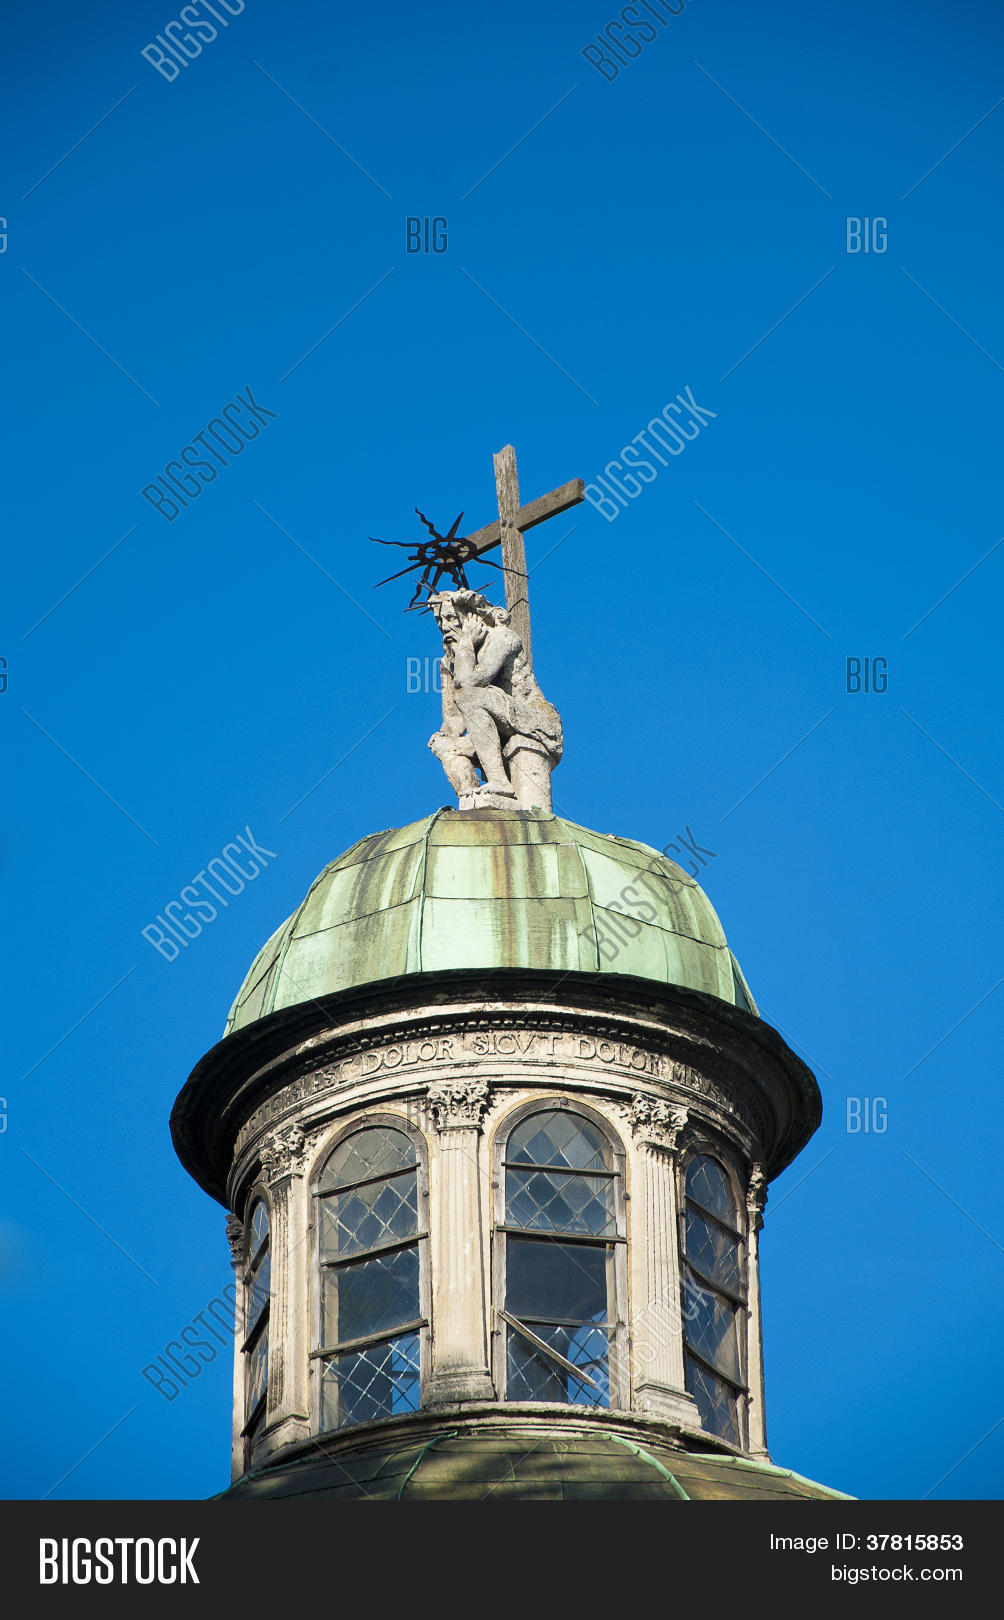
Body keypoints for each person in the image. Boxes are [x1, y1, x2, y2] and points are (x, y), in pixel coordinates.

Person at [427, 589, 562, 803]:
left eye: (451, 618)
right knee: (444, 744)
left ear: (473, 616)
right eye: (439, 620)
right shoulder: (448, 662)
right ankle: (473, 799)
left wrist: (466, 644)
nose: (444, 627)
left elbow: (471, 683)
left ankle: (500, 782)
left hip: (535, 720)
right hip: (496, 724)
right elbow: (453, 719)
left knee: (470, 696)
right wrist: (443, 738)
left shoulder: (502, 637)